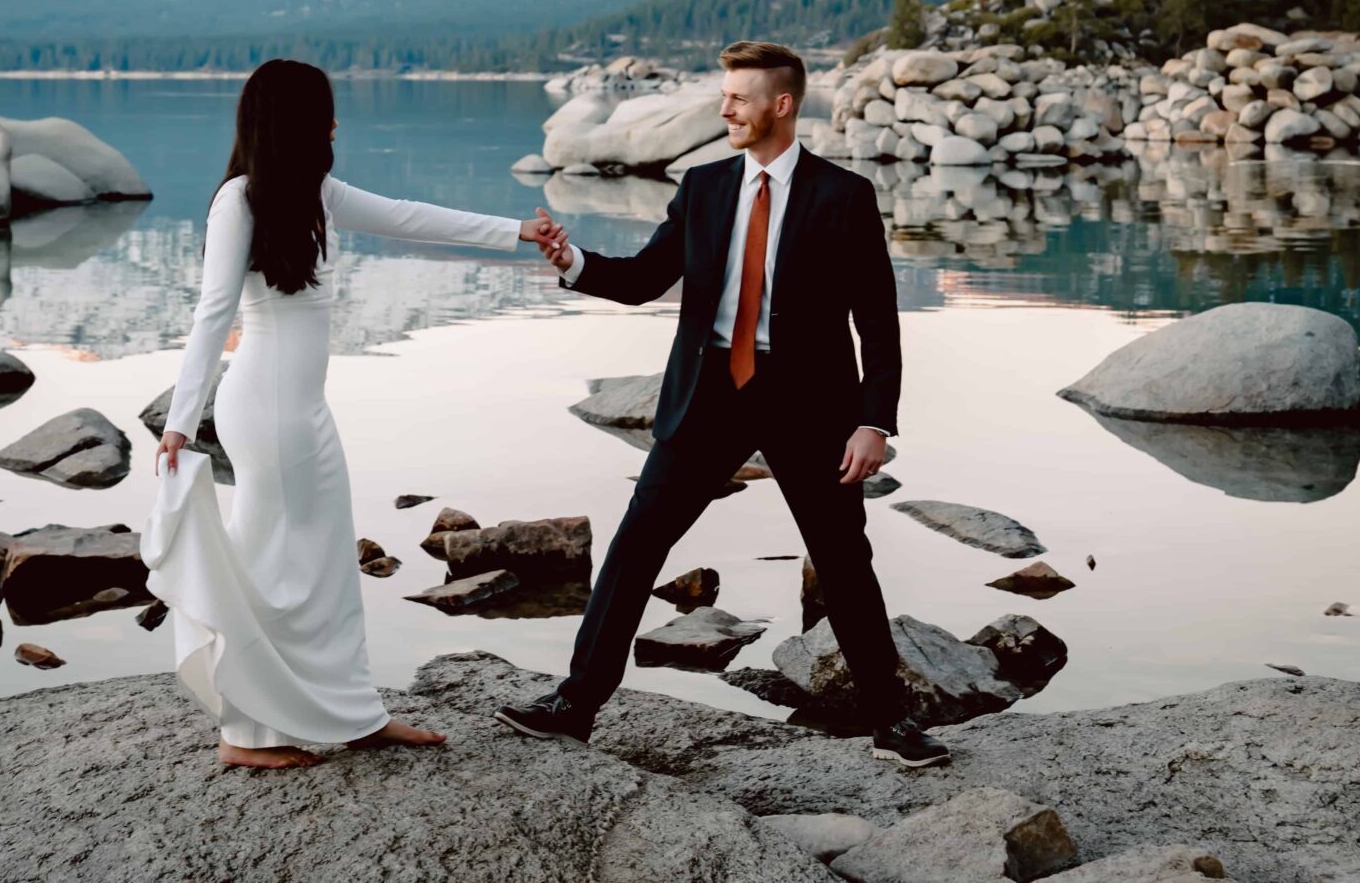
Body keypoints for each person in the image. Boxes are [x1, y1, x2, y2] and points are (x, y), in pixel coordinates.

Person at [494, 39, 949, 769]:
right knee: (636, 548)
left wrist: (874, 420)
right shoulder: (703, 188)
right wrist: (572, 262)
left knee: (844, 564)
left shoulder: (844, 196)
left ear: (782, 104)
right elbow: (645, 277)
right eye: (724, 95)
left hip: (812, 408)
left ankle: (893, 723)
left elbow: (879, 321)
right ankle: (575, 705)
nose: (724, 107)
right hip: (707, 396)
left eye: (739, 97)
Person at [141, 58, 566, 770]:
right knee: (271, 567)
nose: (336, 124)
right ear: (292, 123)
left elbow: (410, 218)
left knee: (328, 566)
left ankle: (353, 716)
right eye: (323, 112)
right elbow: (213, 315)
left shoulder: (313, 192)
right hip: (264, 410)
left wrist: (519, 231)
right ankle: (244, 733)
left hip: (304, 410)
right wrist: (181, 421)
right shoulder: (236, 202)